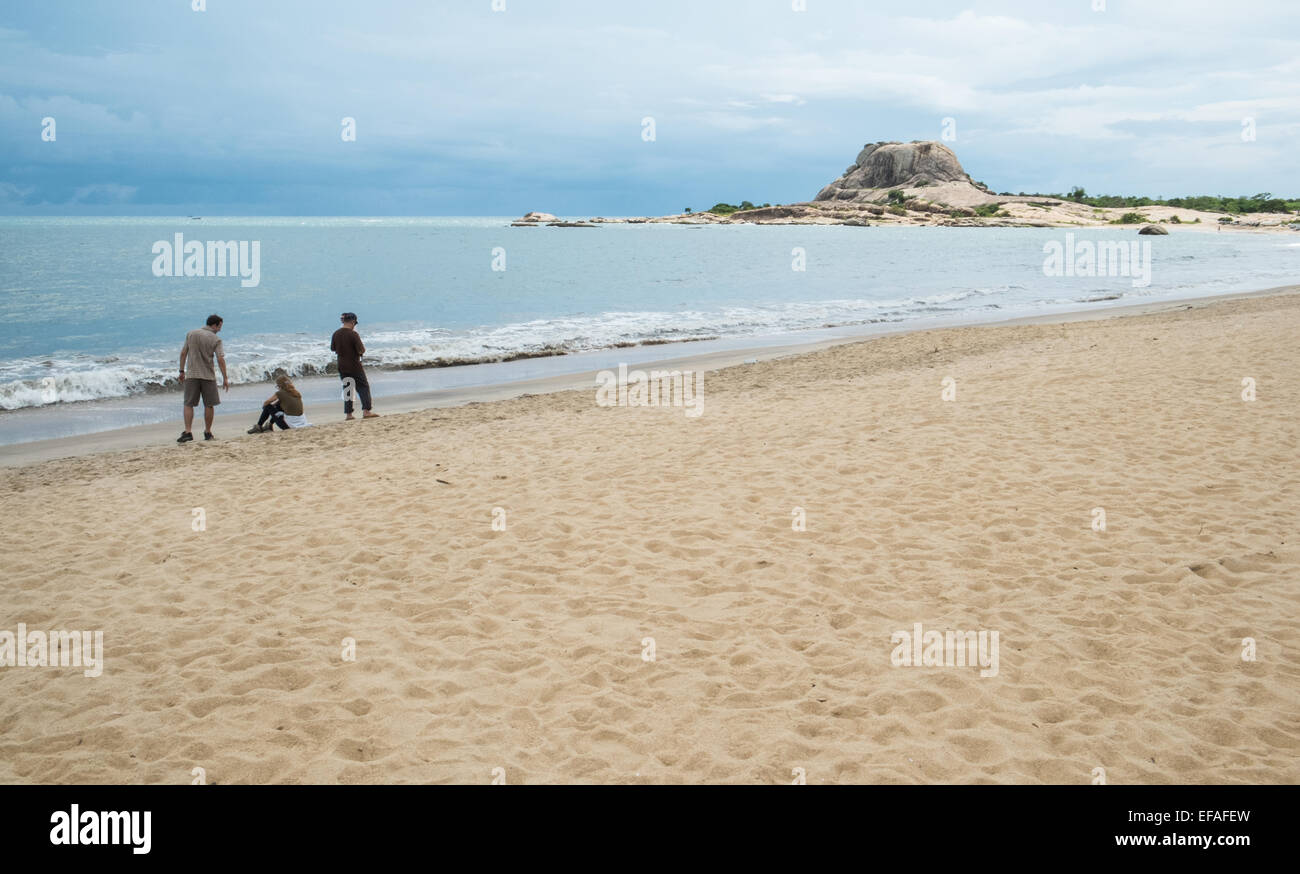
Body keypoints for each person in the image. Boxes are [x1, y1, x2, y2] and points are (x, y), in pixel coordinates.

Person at [178, 314, 229, 443]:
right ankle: (207, 431)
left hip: (192, 374)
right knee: (209, 405)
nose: (220, 329)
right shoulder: (216, 339)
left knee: (188, 404)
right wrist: (225, 377)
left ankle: (188, 431)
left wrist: (181, 371)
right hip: (208, 375)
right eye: (220, 326)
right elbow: (220, 359)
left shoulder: (191, 334)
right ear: (215, 325)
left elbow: (184, 353)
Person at [330, 312, 379, 420]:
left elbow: (333, 348)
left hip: (342, 365)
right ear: (352, 321)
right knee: (363, 387)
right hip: (354, 365)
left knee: (348, 388)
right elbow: (361, 349)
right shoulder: (353, 334)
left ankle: (349, 414)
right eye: (354, 323)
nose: (354, 325)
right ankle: (366, 411)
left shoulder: (336, 333)